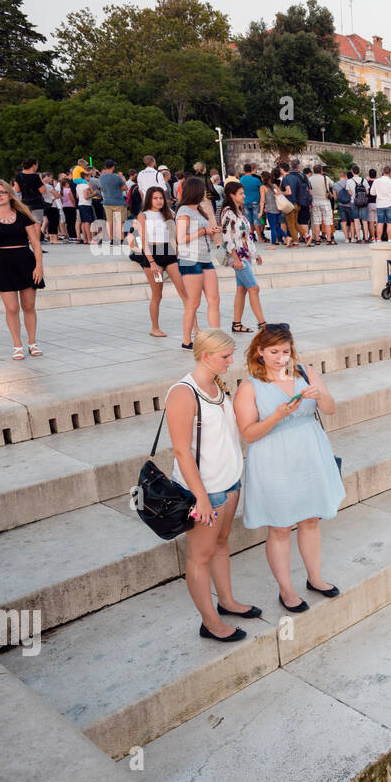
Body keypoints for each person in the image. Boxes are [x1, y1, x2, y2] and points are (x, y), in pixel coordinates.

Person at [234, 324, 343, 612]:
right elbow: (248, 434)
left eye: (285, 351)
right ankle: (286, 589)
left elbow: (330, 409)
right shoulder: (250, 386)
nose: (281, 357)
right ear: (260, 351)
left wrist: (318, 395)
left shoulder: (304, 372)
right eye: (274, 352)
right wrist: (278, 415)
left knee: (311, 520)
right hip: (274, 460)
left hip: (309, 454)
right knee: (280, 527)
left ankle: (315, 578)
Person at [166, 329, 255, 642]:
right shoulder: (182, 393)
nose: (231, 361)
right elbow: (180, 451)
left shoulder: (218, 385)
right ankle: (210, 622)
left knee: (222, 542)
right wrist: (201, 499)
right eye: (225, 356)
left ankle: (227, 601)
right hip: (204, 491)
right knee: (199, 556)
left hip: (229, 481)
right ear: (205, 356)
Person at [0, 178, 45, 360]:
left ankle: (32, 342)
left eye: (1, 192)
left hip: (25, 261)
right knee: (12, 307)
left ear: (9, 194)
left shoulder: (23, 215)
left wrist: (39, 266)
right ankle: (17, 344)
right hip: (1, 262)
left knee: (29, 306)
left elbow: (36, 244)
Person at [130, 186, 186, 337]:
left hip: (168, 253)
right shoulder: (144, 215)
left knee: (183, 291)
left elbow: (174, 234)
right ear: (149, 199)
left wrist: (178, 249)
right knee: (157, 294)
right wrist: (152, 263)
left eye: (161, 198)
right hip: (153, 256)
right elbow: (143, 241)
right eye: (155, 198)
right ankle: (155, 328)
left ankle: (194, 327)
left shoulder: (168, 214)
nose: (159, 201)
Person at [175, 177, 223, 350]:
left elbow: (201, 233)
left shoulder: (199, 210)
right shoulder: (184, 212)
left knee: (214, 299)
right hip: (190, 259)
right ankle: (187, 340)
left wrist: (211, 232)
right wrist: (204, 230)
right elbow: (181, 239)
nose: (205, 192)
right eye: (202, 189)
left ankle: (216, 337)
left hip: (205, 258)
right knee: (193, 303)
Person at [220, 180, 267, 333]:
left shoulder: (239, 212)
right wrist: (236, 259)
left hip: (245, 255)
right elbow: (227, 237)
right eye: (240, 194)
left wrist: (255, 253)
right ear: (231, 195)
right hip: (238, 257)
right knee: (254, 288)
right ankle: (262, 324)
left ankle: (237, 324)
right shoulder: (228, 213)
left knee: (242, 290)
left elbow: (246, 236)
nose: (243, 196)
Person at [308, 164, 336, 245]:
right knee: (328, 221)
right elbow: (332, 184)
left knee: (316, 222)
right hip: (325, 201)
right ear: (321, 171)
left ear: (313, 170)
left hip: (315, 201)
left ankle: (317, 240)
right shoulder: (325, 178)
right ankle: (328, 239)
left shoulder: (310, 179)